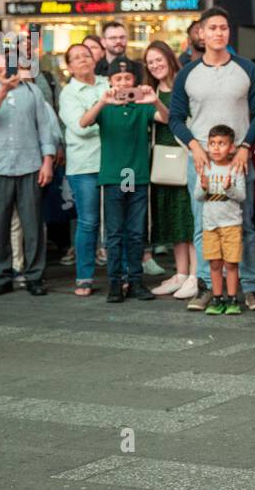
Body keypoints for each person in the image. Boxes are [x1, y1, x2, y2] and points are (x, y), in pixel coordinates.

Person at [168, 6, 255, 313]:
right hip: (201, 163)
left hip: (238, 161)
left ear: (229, 32)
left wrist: (245, 147)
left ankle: (251, 289)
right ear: (201, 33)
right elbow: (175, 118)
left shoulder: (246, 69)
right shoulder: (187, 73)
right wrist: (194, 147)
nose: (218, 33)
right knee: (203, 226)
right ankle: (206, 288)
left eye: (223, 28)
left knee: (245, 226)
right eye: (212, 28)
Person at [0, 47, 60, 298]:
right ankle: (1, 276)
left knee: (33, 225)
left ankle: (34, 276)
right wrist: (2, 89)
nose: (4, 72)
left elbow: (44, 128)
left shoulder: (32, 91)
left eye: (8, 67)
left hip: (30, 165)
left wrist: (47, 162)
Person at [78, 60, 168, 303]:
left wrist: (154, 99)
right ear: (110, 82)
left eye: (127, 79)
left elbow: (168, 119)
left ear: (135, 81)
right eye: (118, 79)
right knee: (114, 233)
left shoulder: (142, 107)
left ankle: (136, 281)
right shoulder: (105, 107)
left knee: (136, 233)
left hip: (136, 177)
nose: (123, 83)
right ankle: (116, 283)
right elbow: (83, 123)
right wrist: (103, 101)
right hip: (112, 177)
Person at [144, 41, 198, 301]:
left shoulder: (184, 85)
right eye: (150, 62)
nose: (155, 65)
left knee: (189, 218)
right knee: (174, 219)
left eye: (158, 59)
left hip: (185, 156)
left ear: (169, 57)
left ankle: (196, 276)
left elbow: (172, 118)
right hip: (162, 162)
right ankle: (181, 273)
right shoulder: (151, 90)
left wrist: (155, 103)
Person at [57, 43, 110, 297]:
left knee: (115, 221)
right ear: (69, 66)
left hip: (112, 162)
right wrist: (103, 111)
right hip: (83, 165)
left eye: (86, 55)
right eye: (76, 58)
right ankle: (84, 277)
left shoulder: (108, 82)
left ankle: (119, 273)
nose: (82, 60)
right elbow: (80, 128)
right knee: (88, 222)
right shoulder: (69, 93)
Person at [195, 124, 247, 315]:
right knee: (215, 263)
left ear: (232, 147)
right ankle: (217, 299)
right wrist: (203, 186)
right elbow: (197, 196)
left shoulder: (236, 169)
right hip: (210, 226)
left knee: (231, 264)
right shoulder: (205, 168)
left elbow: (241, 196)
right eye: (212, 143)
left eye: (222, 143)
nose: (216, 148)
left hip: (231, 225)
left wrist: (229, 188)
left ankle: (232, 299)